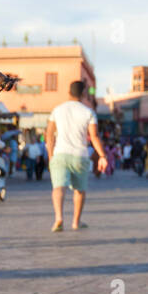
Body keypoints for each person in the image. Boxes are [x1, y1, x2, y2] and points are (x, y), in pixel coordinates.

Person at [45, 81, 108, 232]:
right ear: (83, 94)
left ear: (69, 92)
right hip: (80, 155)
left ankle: (59, 218)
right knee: (79, 190)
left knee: (58, 187)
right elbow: (94, 136)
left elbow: (49, 135)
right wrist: (102, 156)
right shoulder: (89, 112)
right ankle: (76, 222)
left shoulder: (57, 110)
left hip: (60, 154)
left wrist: (50, 156)